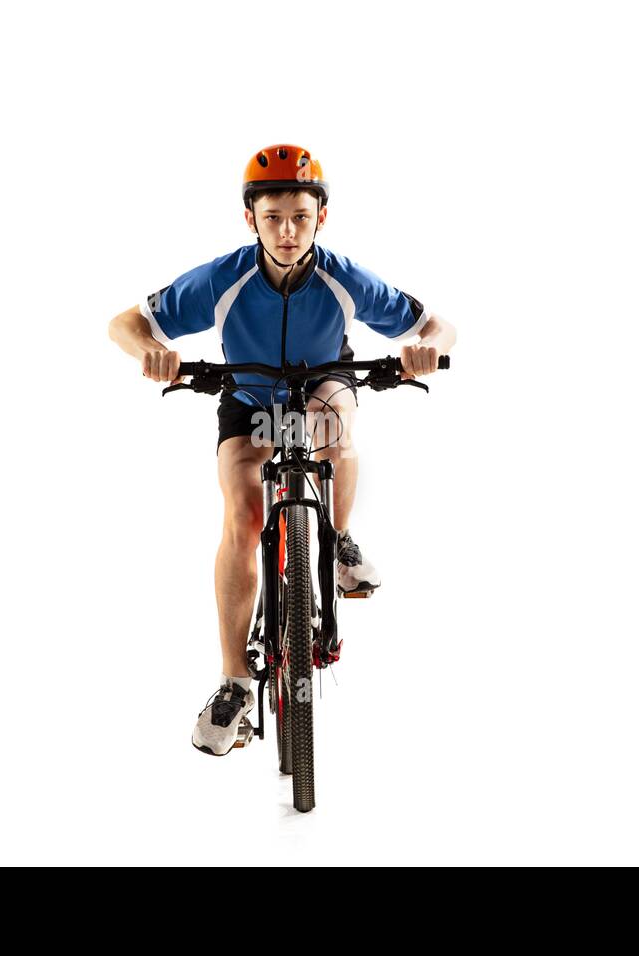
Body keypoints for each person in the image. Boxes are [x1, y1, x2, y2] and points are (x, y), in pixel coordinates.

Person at [107, 144, 457, 756]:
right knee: (241, 514)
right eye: (273, 217)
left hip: (322, 384)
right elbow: (124, 323)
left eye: (300, 215)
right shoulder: (224, 276)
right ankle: (234, 683)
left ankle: (340, 541)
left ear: (322, 216)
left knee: (336, 425)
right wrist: (150, 353)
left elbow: (437, 325)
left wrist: (422, 348)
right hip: (246, 392)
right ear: (251, 220)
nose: (288, 230)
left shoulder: (345, 277)